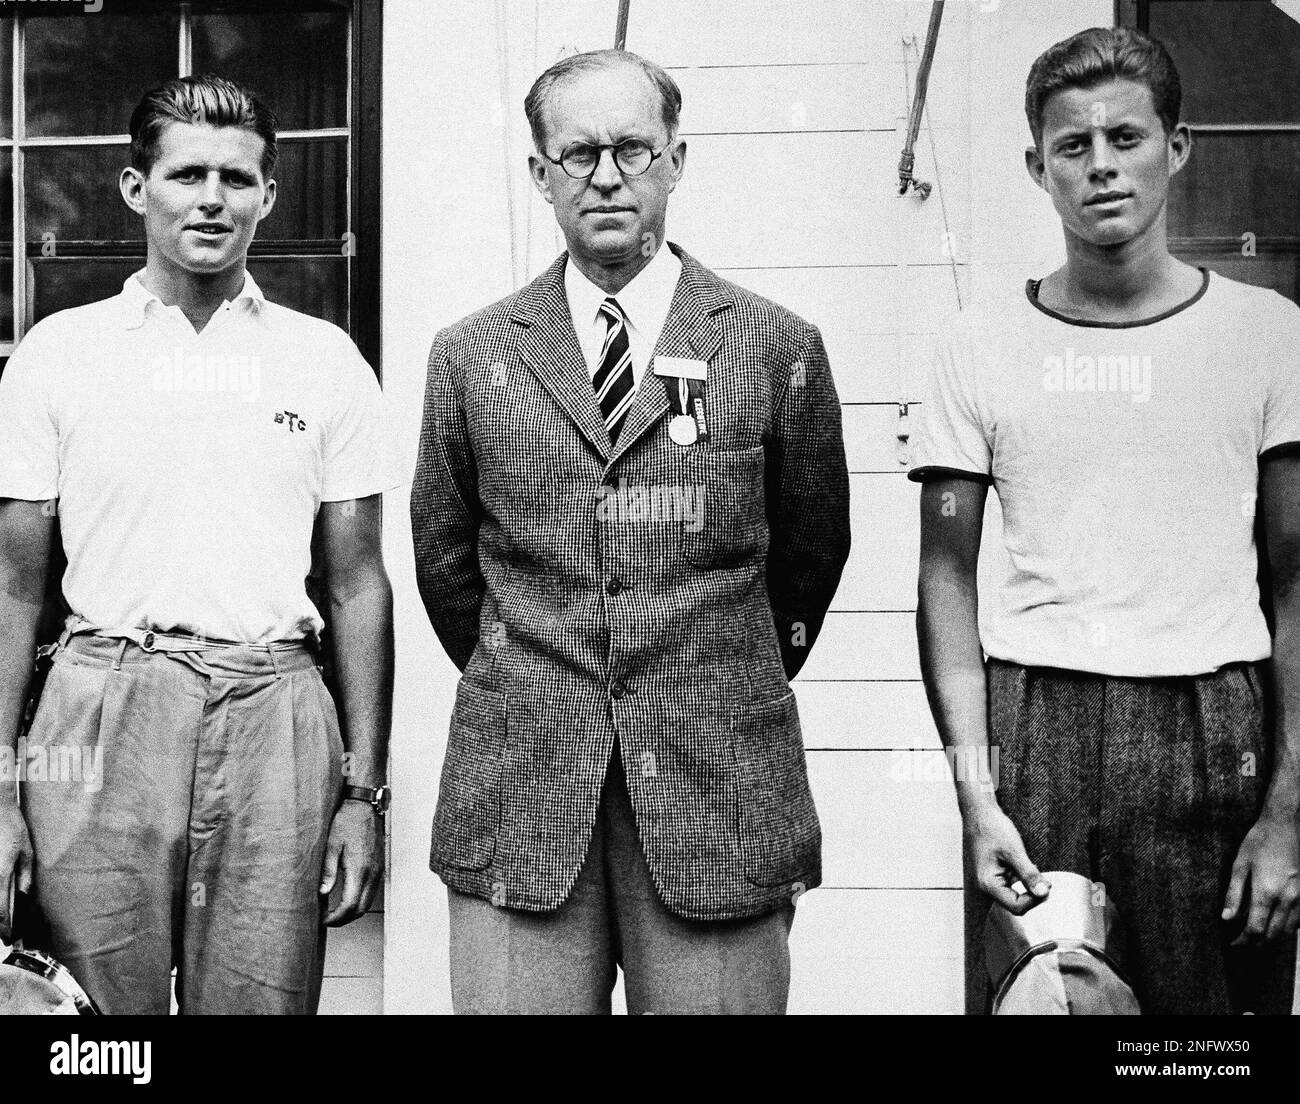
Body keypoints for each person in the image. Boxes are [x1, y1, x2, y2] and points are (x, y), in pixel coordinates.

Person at [411, 48, 850, 1015]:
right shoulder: (473, 354)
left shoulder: (775, 345)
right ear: (540, 174)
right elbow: (447, 568)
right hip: (521, 784)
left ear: (676, 161)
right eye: (577, 154)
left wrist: (715, 673)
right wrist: (537, 670)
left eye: (633, 149)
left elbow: (811, 555)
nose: (606, 176)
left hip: (719, 788)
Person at [912, 26, 1300, 1014]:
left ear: (1175, 148)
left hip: (1215, 727)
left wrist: (1290, 810)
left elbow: (1297, 581)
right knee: (1041, 1008)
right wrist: (974, 795)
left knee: (1205, 1044)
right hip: (1036, 726)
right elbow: (945, 578)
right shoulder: (977, 342)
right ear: (1035, 166)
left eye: (1125, 138)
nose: (1101, 167)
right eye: (1072, 147)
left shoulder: (1266, 336)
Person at [0, 75, 399, 1014]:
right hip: (102, 706)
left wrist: (361, 795)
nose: (212, 198)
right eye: (186, 174)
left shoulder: (323, 359)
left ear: (269, 194)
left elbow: (357, 585)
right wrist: (2, 787)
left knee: (260, 1002)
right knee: (92, 1025)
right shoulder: (61, 352)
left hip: (275, 710)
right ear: (138, 189)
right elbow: (15, 585)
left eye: (237, 177)